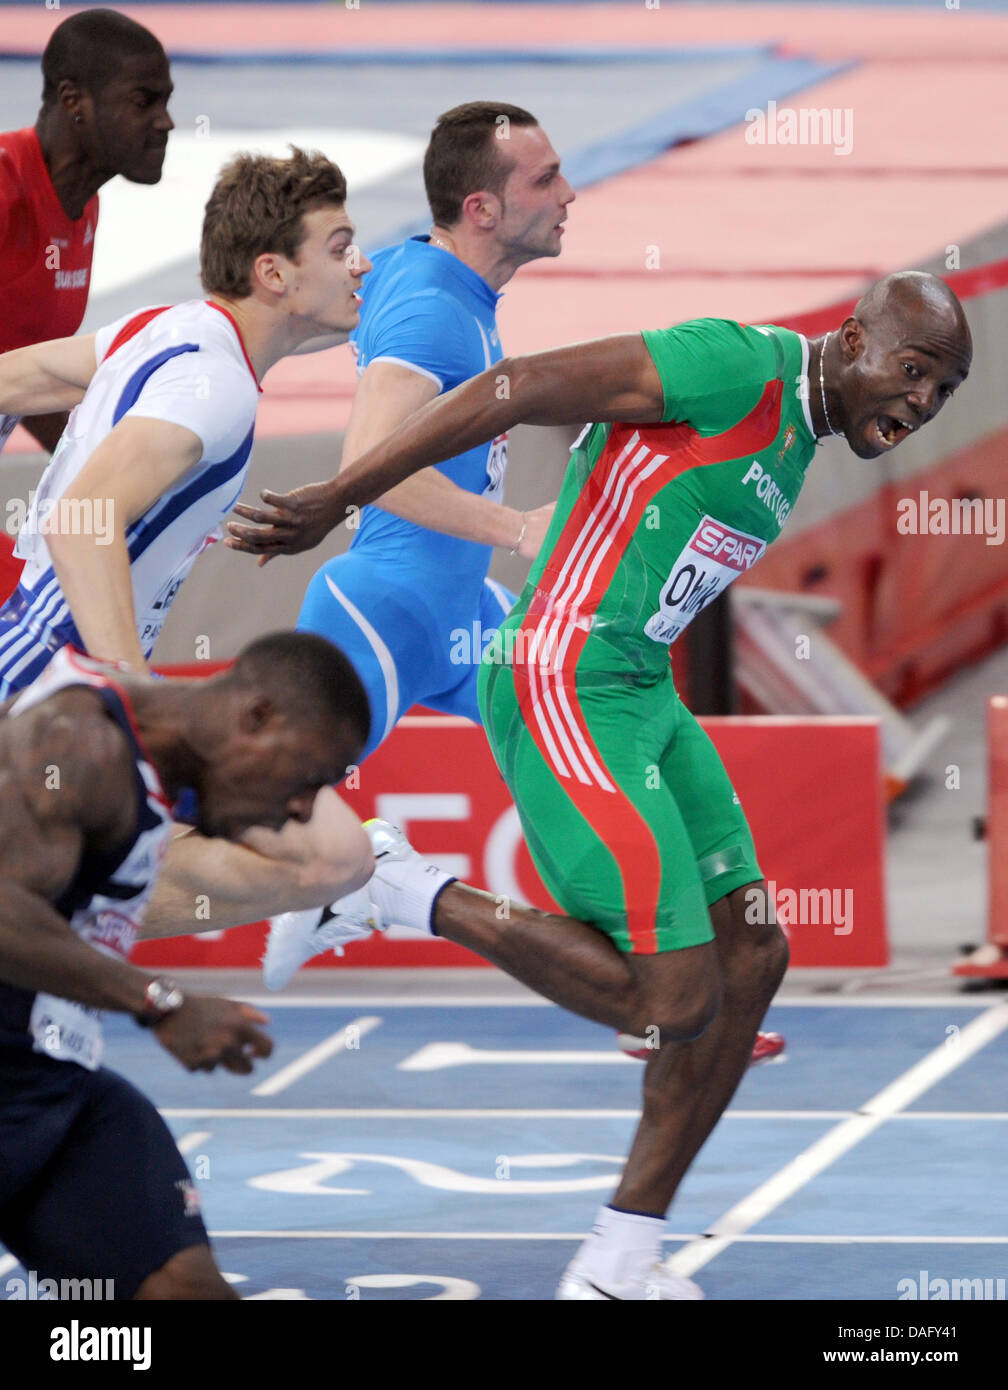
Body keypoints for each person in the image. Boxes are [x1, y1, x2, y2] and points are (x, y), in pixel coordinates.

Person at [226, 270, 972, 1297]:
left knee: (752, 952)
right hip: (559, 674)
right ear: (852, 340)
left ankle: (622, 1259)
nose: (922, 403)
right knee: (670, 997)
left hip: (640, 693)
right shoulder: (735, 365)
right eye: (915, 370)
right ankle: (388, 888)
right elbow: (522, 382)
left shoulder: (805, 433)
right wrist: (340, 494)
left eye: (943, 394)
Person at [0, 146, 375, 938]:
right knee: (328, 860)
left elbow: (10, 380)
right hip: (56, 673)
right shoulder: (216, 387)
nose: (361, 264)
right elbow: (81, 517)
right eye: (340, 249)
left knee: (335, 853)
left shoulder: (166, 327)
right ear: (273, 274)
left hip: (40, 646)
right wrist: (128, 695)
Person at [260, 101, 568, 985]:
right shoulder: (434, 313)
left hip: (462, 611)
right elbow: (368, 463)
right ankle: (359, 875)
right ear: (481, 209)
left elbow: (337, 292)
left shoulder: (410, 275)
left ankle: (659, 974)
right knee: (252, 818)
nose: (569, 194)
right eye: (545, 180)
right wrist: (517, 527)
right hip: (385, 611)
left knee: (582, 730)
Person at [0, 630, 369, 1300]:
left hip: (50, 1078)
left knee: (180, 1288)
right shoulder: (77, 743)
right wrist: (161, 1001)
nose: (302, 810)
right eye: (308, 779)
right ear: (256, 717)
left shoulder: (146, 748)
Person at [0, 9, 174, 598]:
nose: (166, 122)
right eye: (144, 101)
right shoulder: (4, 188)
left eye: (167, 101)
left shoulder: (80, 208)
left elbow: (27, 379)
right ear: (76, 101)